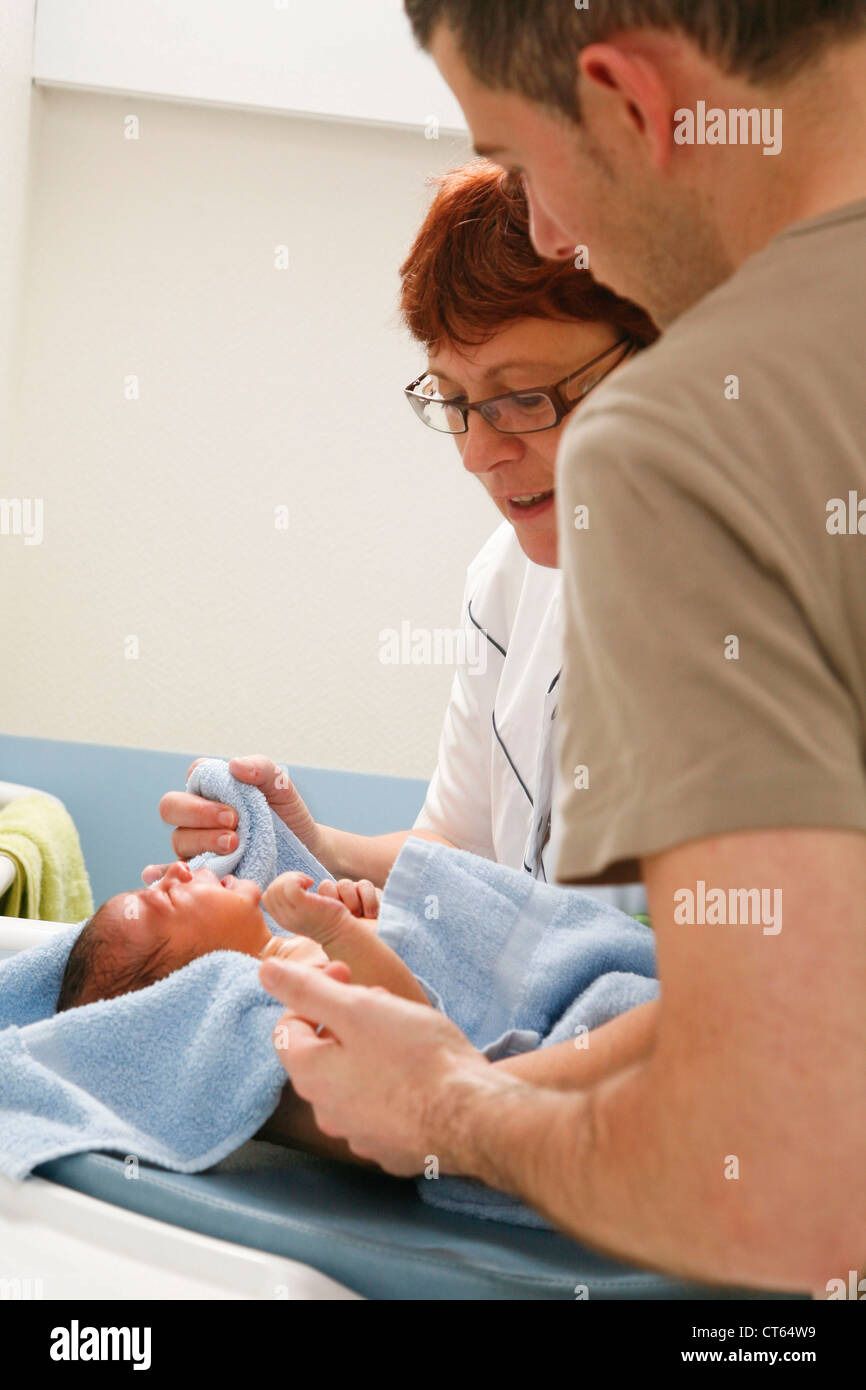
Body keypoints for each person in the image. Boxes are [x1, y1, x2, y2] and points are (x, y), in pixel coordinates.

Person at [257, 0, 866, 1295]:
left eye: (525, 166)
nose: (543, 227)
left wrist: (444, 1110)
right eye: (457, 406)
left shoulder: (692, 433)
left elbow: (772, 1156)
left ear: (631, 99)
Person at [145, 162, 656, 902]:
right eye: (452, 401)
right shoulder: (509, 579)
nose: (479, 454)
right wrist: (306, 846)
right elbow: (458, 848)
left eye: (520, 398)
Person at [54, 862, 427, 1014]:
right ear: (196, 979)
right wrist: (337, 930)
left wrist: (369, 911)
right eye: (165, 896)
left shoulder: (294, 943)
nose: (178, 869)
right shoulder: (293, 990)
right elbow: (405, 1022)